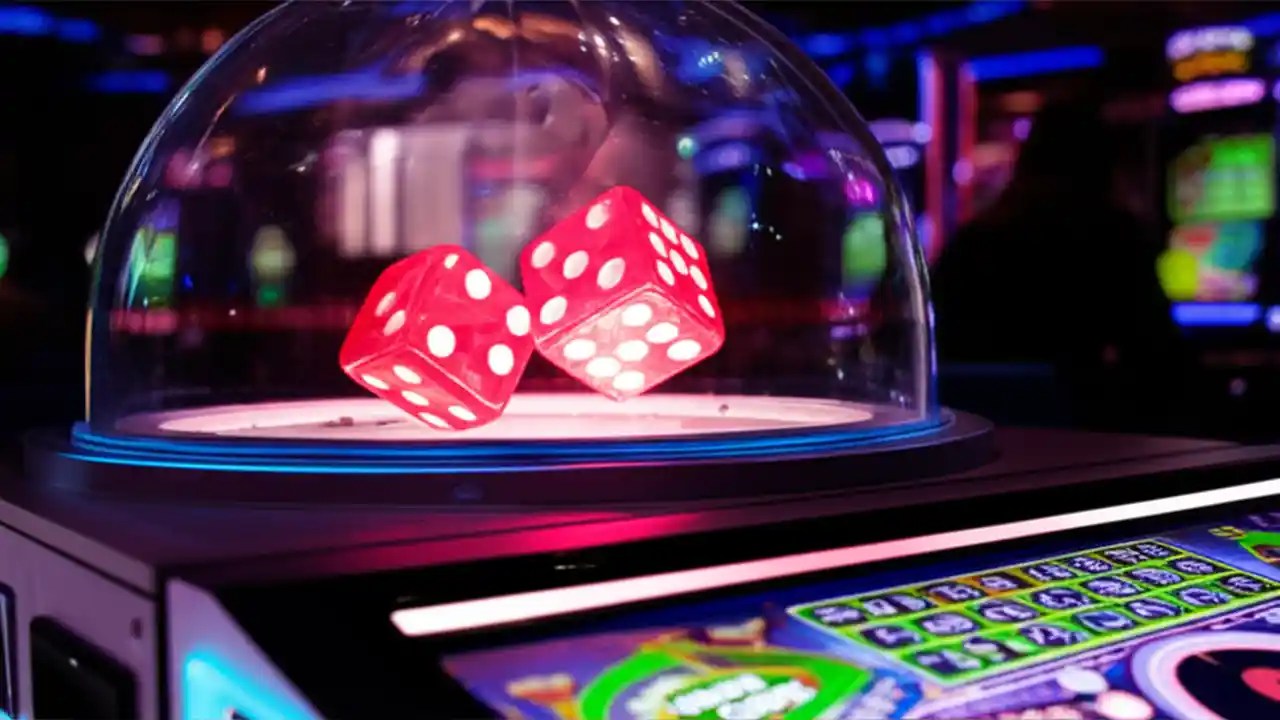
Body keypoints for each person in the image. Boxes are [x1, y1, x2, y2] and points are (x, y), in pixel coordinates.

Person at [931, 101, 1181, 430]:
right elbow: (1159, 354)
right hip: (1080, 444)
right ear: (1101, 164)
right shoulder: (1110, 236)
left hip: (967, 442)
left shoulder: (974, 239)